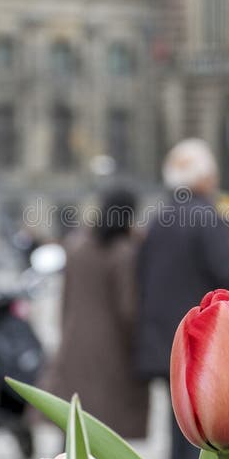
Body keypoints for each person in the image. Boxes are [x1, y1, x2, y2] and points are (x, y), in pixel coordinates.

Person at [136, 138, 229, 459]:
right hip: (202, 338)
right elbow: (225, 273)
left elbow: (140, 276)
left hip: (165, 338)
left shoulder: (159, 218)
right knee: (202, 425)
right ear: (202, 179)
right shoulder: (206, 216)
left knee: (178, 422)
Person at [45, 187, 149, 440]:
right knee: (106, 433)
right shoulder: (123, 253)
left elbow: (65, 299)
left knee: (73, 424)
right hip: (112, 351)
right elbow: (128, 309)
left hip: (74, 343)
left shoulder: (76, 246)